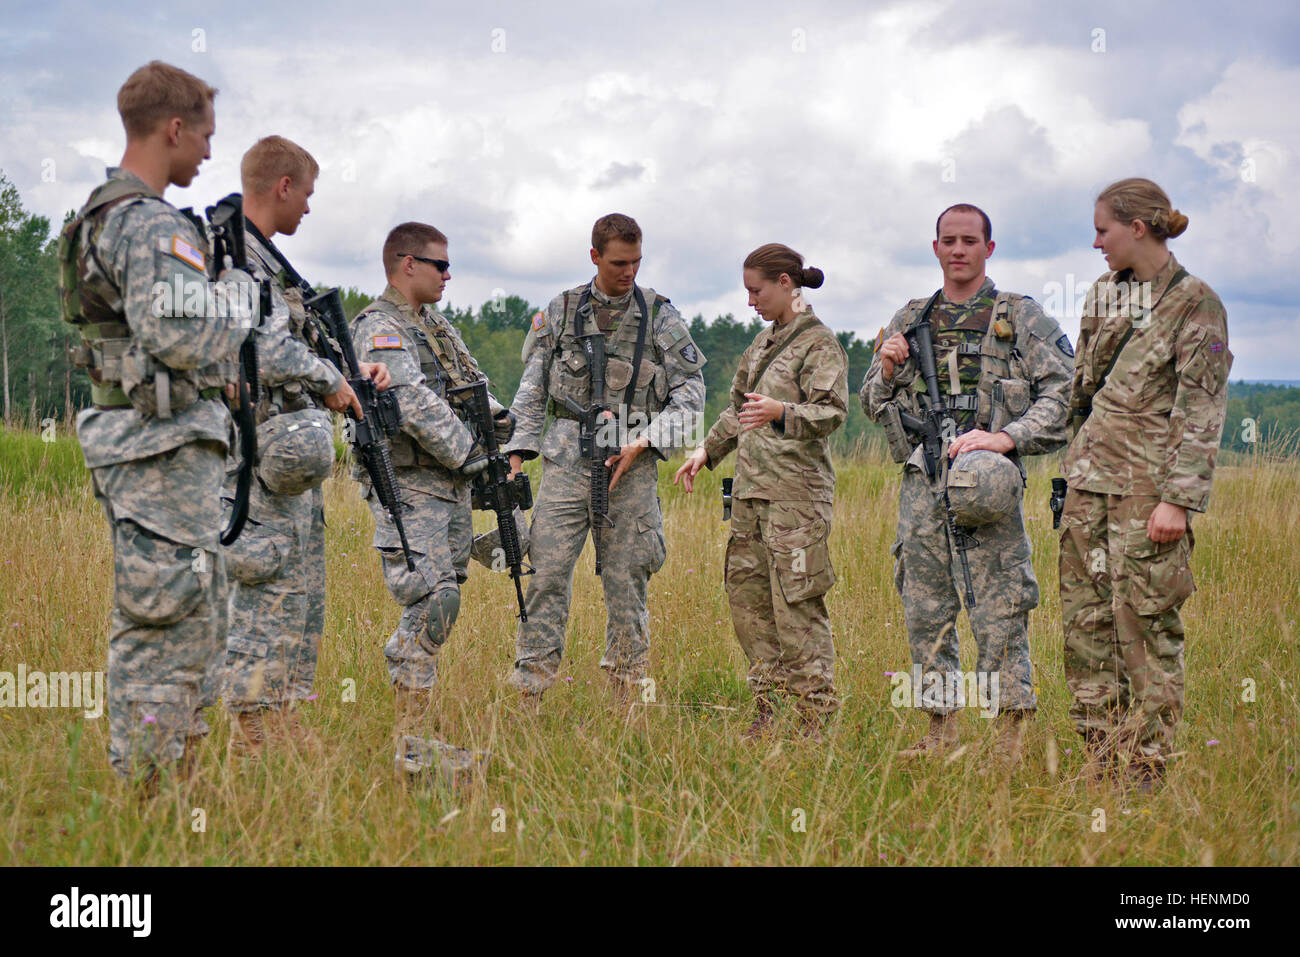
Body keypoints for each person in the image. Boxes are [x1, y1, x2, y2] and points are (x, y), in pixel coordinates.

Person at [59, 61, 251, 790]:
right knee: (160, 615)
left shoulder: (115, 216)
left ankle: (178, 782)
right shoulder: (143, 222)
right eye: (204, 136)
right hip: (153, 449)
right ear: (175, 128)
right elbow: (183, 335)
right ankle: (147, 788)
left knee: (191, 610)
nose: (207, 152)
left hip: (161, 446)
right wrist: (236, 296)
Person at [861, 204, 1072, 764]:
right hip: (923, 480)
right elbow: (868, 403)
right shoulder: (911, 316)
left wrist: (1008, 438)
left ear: (988, 248)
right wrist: (886, 368)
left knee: (1000, 606)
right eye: (948, 240)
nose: (958, 250)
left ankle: (1010, 739)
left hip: (986, 486)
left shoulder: (1022, 316)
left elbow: (1065, 395)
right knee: (926, 608)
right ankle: (940, 734)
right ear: (935, 248)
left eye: (969, 241)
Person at [220, 135, 391, 755]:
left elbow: (293, 346)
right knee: (266, 585)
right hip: (253, 455)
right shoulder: (233, 255)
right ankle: (252, 728)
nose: (310, 210)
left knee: (301, 590)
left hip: (287, 455)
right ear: (283, 186)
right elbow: (259, 345)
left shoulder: (270, 261)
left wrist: (351, 374)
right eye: (308, 195)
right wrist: (330, 380)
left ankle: (286, 714)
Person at [1061, 178, 1231, 791]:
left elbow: (1202, 407)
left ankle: (1146, 773)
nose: (1096, 241)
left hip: (1147, 496)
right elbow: (1082, 390)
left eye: (1103, 229)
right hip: (1088, 486)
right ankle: (1097, 766)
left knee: (1145, 627)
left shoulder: (1197, 304)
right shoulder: (1104, 295)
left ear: (1138, 227)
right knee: (1086, 627)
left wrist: (1178, 501)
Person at [504, 213, 706, 703]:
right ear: (594, 256)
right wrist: (516, 457)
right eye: (618, 262)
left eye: (636, 262)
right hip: (567, 463)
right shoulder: (562, 309)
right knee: (546, 574)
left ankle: (629, 694)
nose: (628, 271)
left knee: (627, 583)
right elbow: (532, 389)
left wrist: (644, 441)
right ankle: (530, 690)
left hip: (630, 466)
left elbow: (692, 395)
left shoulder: (660, 315)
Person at [350, 221, 507, 784]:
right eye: (439, 264)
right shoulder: (379, 328)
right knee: (431, 602)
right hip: (411, 483)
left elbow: (472, 384)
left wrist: (503, 424)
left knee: (445, 599)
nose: (448, 274)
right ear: (406, 263)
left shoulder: (436, 326)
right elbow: (409, 398)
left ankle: (416, 743)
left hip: (450, 484)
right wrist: (472, 452)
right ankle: (408, 749)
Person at [675, 244, 848, 739]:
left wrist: (782, 413)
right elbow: (737, 408)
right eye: (747, 291)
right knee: (749, 605)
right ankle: (769, 713)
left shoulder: (820, 344)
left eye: (757, 289)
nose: (751, 300)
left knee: (797, 606)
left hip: (797, 499)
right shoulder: (762, 344)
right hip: (751, 498)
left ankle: (814, 721)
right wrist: (706, 451)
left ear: (786, 284)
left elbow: (832, 412)